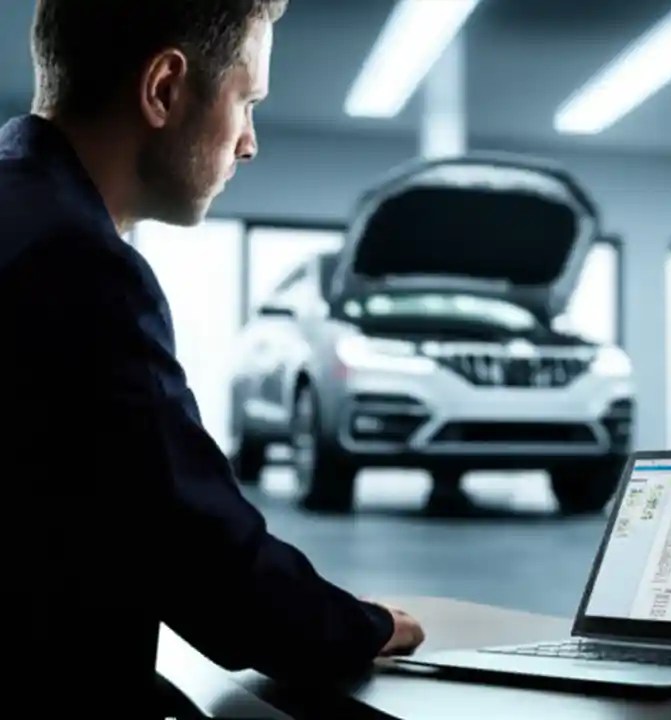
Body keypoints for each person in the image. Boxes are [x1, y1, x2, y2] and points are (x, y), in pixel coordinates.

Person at [1, 1, 424, 715]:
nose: (250, 142)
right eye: (246, 102)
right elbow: (204, 561)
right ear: (164, 89)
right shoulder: (78, 265)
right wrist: (365, 625)